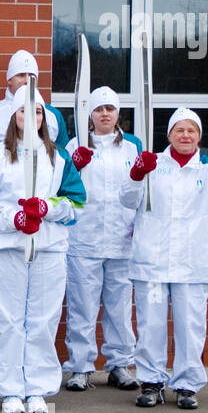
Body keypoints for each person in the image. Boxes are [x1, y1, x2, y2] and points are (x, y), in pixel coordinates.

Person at [123, 107, 208, 409]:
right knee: (151, 326)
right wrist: (135, 175)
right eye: (179, 130)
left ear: (198, 136)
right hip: (153, 263)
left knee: (190, 326)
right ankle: (151, 382)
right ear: (169, 134)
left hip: (193, 263)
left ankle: (186, 384)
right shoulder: (152, 164)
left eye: (191, 130)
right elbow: (128, 201)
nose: (185, 135)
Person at [0, 84, 86, 413]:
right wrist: (16, 217)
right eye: (24, 110)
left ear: (43, 117)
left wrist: (47, 209)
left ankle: (37, 387)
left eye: (37, 111)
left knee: (42, 319)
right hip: (6, 249)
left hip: (48, 250)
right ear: (14, 116)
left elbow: (76, 204)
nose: (31, 116)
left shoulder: (58, 158)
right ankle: (10, 388)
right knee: (8, 320)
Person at [61, 87, 142, 392]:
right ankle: (80, 367)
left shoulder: (132, 147)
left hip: (122, 240)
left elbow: (142, 191)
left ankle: (120, 364)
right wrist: (74, 167)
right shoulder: (75, 146)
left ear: (118, 113)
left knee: (120, 307)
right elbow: (61, 188)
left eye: (110, 108)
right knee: (82, 306)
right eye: (99, 109)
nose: (105, 113)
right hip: (85, 239)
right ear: (89, 114)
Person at [0, 50, 69, 149]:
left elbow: (65, 155)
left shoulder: (53, 115)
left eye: (31, 76)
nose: (27, 80)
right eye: (21, 75)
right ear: (9, 79)